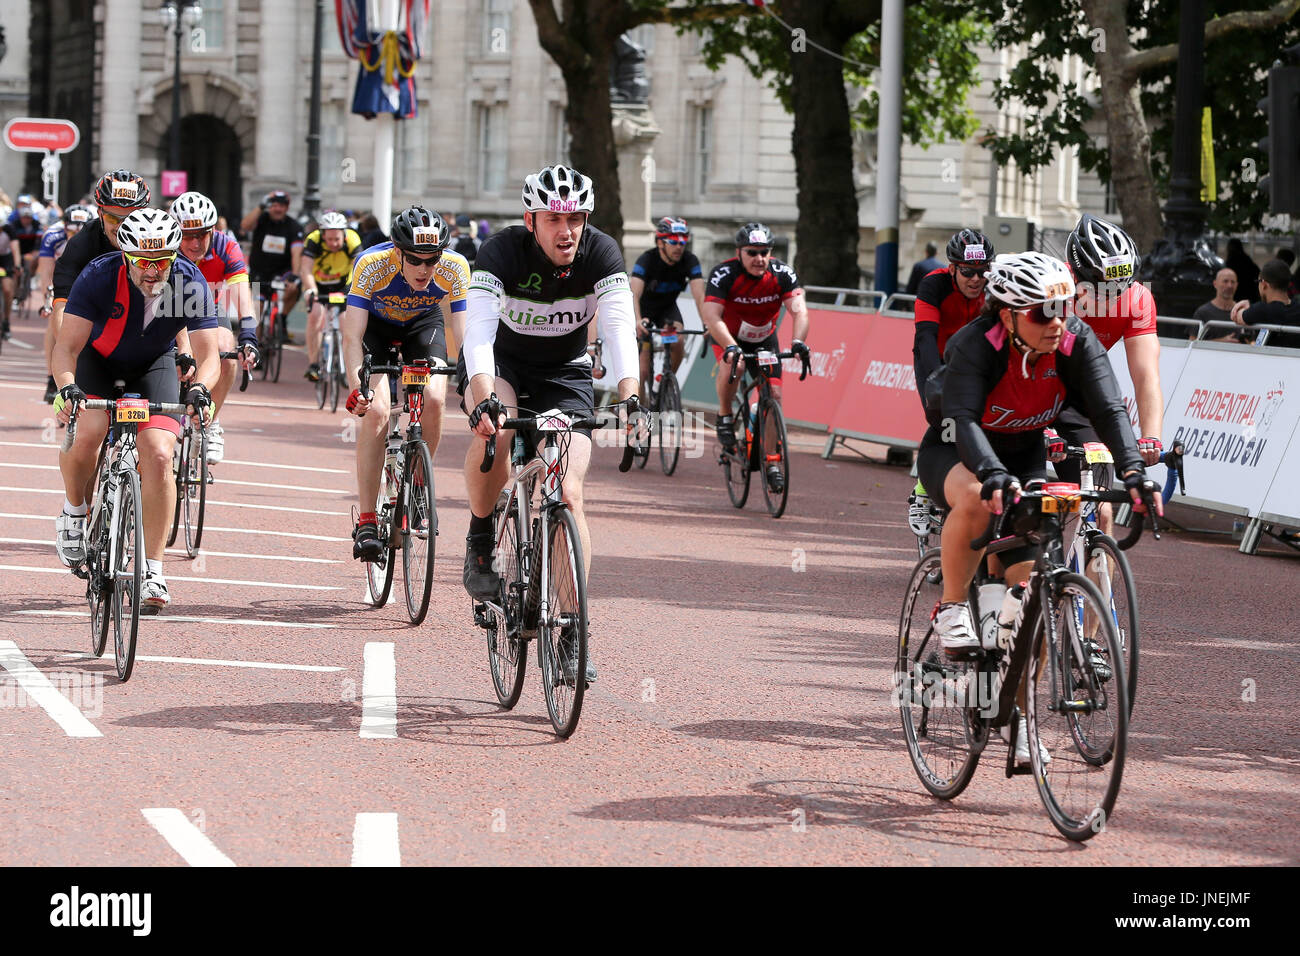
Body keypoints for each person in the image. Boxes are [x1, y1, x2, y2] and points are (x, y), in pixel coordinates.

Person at [916, 250, 1157, 764]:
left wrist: (1134, 471)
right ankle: (955, 606)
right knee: (981, 502)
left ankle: (1018, 716)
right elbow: (961, 418)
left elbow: (1109, 410)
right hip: (955, 445)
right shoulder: (976, 345)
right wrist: (992, 474)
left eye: (1064, 308)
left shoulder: (1073, 341)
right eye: (1041, 313)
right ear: (1006, 313)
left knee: (1034, 593)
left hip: (1023, 451)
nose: (1056, 323)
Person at [458, 164, 640, 685]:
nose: (568, 230)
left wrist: (630, 397)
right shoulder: (500, 252)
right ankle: (479, 537)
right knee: (502, 430)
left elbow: (620, 326)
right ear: (530, 220)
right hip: (503, 366)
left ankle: (571, 630)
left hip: (565, 372)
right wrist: (486, 397)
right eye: (555, 219)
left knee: (571, 490)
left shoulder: (600, 253)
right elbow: (478, 333)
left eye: (577, 218)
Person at [51, 208, 221, 611]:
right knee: (88, 433)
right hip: (98, 361)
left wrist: (200, 389)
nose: (152, 271)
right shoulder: (98, 275)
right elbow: (67, 347)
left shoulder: (188, 280)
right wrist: (67, 387)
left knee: (161, 453)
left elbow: (209, 354)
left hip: (153, 364)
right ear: (125, 256)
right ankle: (75, 510)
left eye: (162, 261)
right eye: (143, 261)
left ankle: (153, 569)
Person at [343, 206, 470, 559]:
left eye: (432, 260)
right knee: (379, 410)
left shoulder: (456, 267)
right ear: (398, 252)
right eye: (415, 260)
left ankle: (416, 488)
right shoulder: (370, 264)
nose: (425, 269)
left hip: (421, 326)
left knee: (434, 397)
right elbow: (352, 336)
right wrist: (359, 386)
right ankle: (367, 519)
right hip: (376, 328)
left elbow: (465, 334)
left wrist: (474, 380)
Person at [1056, 214, 1164, 536]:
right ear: (1074, 276)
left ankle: (1090, 586)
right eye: (1103, 291)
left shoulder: (1137, 299)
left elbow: (1146, 375)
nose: (1112, 299)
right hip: (1031, 395)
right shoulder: (1051, 289)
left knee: (1100, 512)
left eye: (1121, 288)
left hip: (1079, 401)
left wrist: (1151, 436)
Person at [701, 222, 810, 494]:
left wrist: (798, 341)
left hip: (764, 339)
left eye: (765, 252)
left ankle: (772, 460)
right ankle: (725, 416)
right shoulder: (724, 274)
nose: (759, 258)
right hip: (729, 336)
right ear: (739, 252)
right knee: (733, 364)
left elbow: (799, 311)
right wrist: (729, 345)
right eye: (752, 252)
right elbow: (712, 316)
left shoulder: (781, 272)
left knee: (773, 395)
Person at [908, 228, 994, 532]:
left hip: (974, 361)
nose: (976, 279)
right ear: (953, 268)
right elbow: (926, 336)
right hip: (936, 358)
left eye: (983, 271)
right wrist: (936, 381)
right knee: (944, 421)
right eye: (968, 271)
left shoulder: (994, 288)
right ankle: (922, 490)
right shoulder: (933, 285)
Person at [170, 191, 260, 463]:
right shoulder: (165, 246)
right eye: (187, 235)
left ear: (213, 230)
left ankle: (211, 422)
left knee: (227, 351)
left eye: (202, 234)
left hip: (207, 308)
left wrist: (249, 334)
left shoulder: (226, 247)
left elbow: (242, 292)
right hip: (167, 306)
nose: (195, 242)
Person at [630, 216, 706, 400]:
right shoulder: (647, 260)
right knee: (642, 370)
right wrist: (638, 320)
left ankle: (662, 382)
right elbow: (634, 295)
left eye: (683, 241)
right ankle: (639, 413)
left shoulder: (689, 260)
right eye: (673, 241)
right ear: (660, 242)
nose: (679, 246)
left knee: (678, 341)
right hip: (644, 311)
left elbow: (700, 295)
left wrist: (707, 322)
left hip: (667, 310)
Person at [36, 204, 94, 401]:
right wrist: (48, 299)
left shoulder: (94, 235)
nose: (74, 235)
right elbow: (46, 272)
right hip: (64, 275)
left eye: (79, 230)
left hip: (87, 276)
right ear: (64, 227)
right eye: (70, 231)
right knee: (55, 322)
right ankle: (52, 377)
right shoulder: (53, 235)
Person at [301, 210, 363, 382]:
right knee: (315, 315)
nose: (333, 243)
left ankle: (349, 368)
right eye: (329, 239)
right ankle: (313, 364)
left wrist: (351, 290)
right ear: (322, 235)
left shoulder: (353, 239)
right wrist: (311, 290)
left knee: (347, 323)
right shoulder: (313, 240)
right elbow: (305, 269)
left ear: (344, 235)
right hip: (319, 285)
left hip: (343, 285)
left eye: (337, 239)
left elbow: (360, 269)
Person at [239, 190, 303, 330]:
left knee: (295, 288)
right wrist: (260, 207)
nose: (277, 209)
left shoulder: (294, 227)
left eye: (281, 206)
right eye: (274, 205)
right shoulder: (261, 219)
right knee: (257, 311)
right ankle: (257, 342)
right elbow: (245, 226)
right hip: (259, 271)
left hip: (282, 272)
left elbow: (296, 253)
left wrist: (295, 275)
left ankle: (282, 317)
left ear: (286, 207)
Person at [1231, 258, 1300, 348]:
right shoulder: (1297, 307)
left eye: (1258, 281)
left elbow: (1238, 316)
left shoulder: (1263, 310)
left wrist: (1244, 306)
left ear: (1264, 285)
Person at [1191, 267, 1239, 341]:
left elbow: (1253, 342)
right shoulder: (1202, 313)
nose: (1229, 286)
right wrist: (1222, 341)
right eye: (1225, 281)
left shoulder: (1243, 312)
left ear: (1237, 285)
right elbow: (1192, 343)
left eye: (1232, 282)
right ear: (1215, 284)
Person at [1225, 239, 1260, 304]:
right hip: (1249, 292)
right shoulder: (1247, 259)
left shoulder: (1231, 261)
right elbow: (1257, 272)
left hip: (1237, 293)